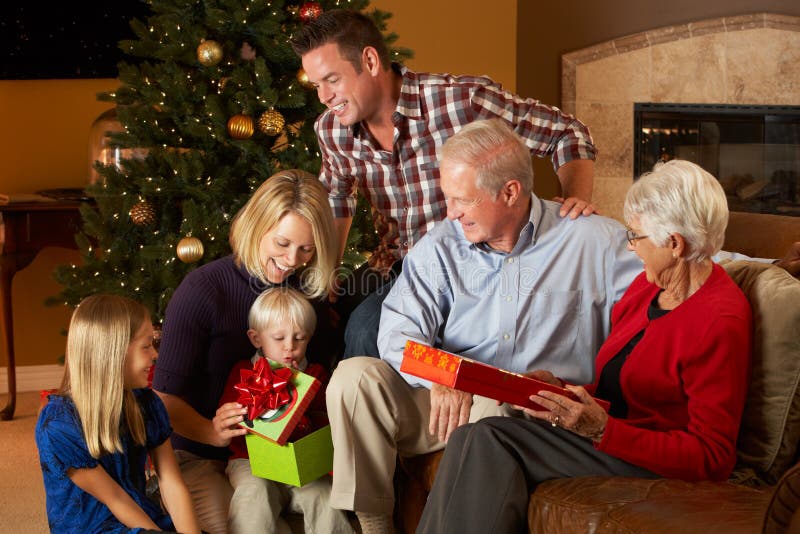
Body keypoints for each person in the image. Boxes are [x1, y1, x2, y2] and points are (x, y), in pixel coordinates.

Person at [322, 118, 644, 533]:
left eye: (463, 200)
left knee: (499, 411)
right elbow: (396, 334)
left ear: (510, 192)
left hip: (523, 411)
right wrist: (443, 374)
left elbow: (679, 270)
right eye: (448, 198)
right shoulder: (441, 245)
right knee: (355, 378)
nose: (451, 212)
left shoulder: (592, 240)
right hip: (448, 401)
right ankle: (374, 525)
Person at [416, 159, 754, 534]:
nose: (631, 247)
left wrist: (603, 431)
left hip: (648, 458)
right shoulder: (647, 288)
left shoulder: (719, 320)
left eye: (635, 236)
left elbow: (712, 457)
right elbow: (619, 390)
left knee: (490, 439)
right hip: (613, 435)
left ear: (674, 244)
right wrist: (559, 391)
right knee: (471, 434)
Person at [290, 9, 598, 358]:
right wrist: (327, 274)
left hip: (467, 263)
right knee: (320, 318)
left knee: (365, 330)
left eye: (332, 80)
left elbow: (567, 133)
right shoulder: (332, 130)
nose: (323, 96)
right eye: (316, 85)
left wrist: (573, 208)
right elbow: (337, 199)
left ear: (370, 61)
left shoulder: (462, 102)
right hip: (394, 264)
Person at [151, 170, 337, 533]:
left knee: (322, 504)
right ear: (257, 225)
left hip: (278, 455)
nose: (292, 260)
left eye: (306, 248)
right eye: (282, 243)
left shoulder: (306, 294)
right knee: (247, 520)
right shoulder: (203, 290)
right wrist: (212, 432)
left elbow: (319, 376)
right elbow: (162, 399)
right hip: (199, 452)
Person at [35, 294, 201, 534]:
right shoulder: (57, 424)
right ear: (113, 353)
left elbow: (172, 483)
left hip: (141, 517)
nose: (155, 355)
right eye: (146, 346)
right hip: (95, 528)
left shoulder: (146, 403)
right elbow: (116, 499)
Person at [219, 287, 353, 534]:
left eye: (299, 338)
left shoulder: (315, 375)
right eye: (279, 338)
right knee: (254, 495)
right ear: (256, 339)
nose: (290, 347)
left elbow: (327, 425)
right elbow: (228, 425)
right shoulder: (243, 372)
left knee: (324, 496)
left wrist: (307, 417)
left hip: (300, 466)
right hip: (250, 462)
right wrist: (230, 419)